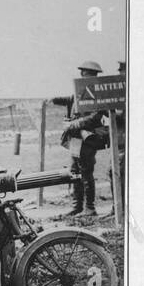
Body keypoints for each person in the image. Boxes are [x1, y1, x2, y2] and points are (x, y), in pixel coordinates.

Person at [51, 60, 108, 216]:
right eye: (83, 72)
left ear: (94, 75)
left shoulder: (98, 93)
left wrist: (75, 124)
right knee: (75, 172)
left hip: (88, 138)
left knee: (86, 172)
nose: (84, 75)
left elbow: (97, 116)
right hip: (76, 139)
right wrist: (52, 99)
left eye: (87, 73)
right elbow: (67, 99)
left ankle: (89, 208)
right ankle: (77, 207)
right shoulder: (79, 92)